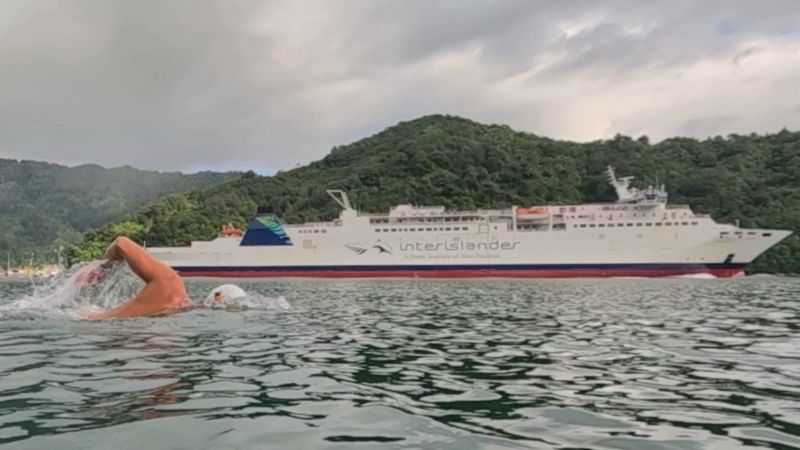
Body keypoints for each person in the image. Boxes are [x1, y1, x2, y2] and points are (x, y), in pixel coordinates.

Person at [84, 236, 192, 320]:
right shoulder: (174, 298)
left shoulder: (169, 281)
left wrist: (102, 268)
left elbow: (121, 242)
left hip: (97, 321)